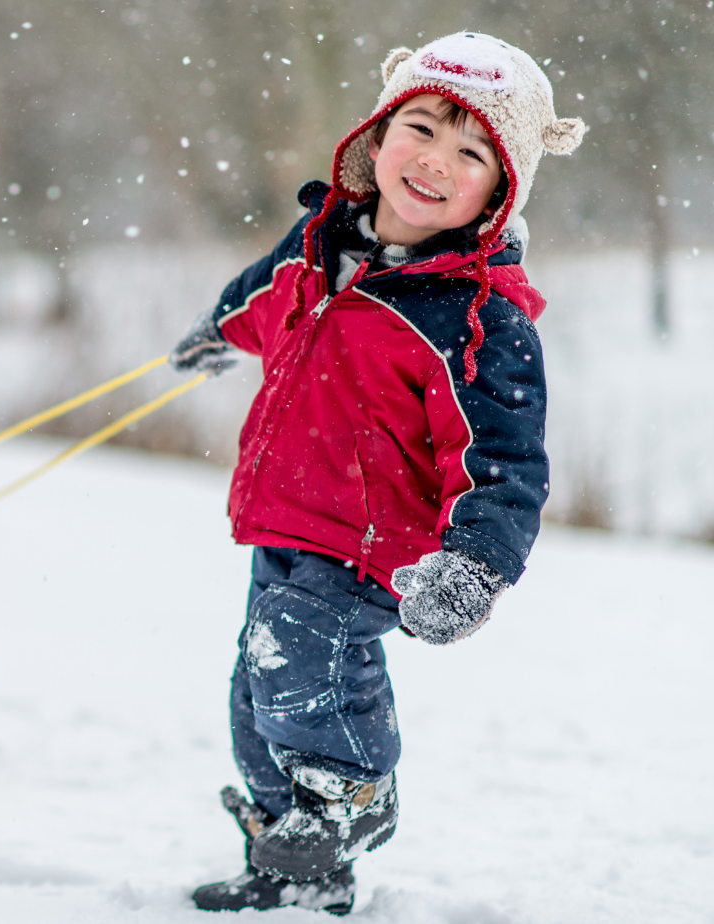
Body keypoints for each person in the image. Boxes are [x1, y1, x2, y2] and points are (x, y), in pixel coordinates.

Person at [167, 33, 584, 915]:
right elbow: (262, 292)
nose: (436, 160)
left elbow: (503, 462)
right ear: (380, 131)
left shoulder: (476, 321)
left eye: (472, 152)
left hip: (374, 545)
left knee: (298, 663)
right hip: (285, 517)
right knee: (257, 692)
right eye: (424, 126)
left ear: (500, 191)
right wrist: (218, 330)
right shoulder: (320, 244)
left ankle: (355, 793)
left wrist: (474, 567)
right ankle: (297, 869)